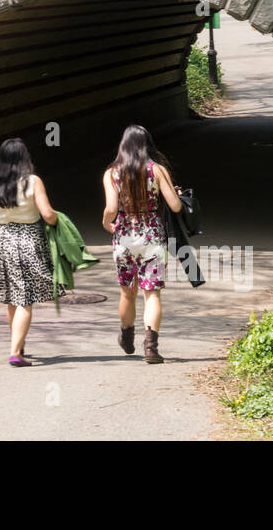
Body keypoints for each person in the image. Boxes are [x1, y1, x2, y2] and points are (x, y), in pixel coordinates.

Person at [102, 125, 183, 364]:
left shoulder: (112, 173)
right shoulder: (157, 170)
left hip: (124, 237)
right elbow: (176, 206)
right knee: (152, 293)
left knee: (127, 292)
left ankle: (127, 336)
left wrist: (108, 223)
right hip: (152, 236)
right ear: (147, 145)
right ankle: (151, 348)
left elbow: (110, 209)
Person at [0, 138, 59, 367]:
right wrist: (59, 221)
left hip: (2, 240)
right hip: (29, 240)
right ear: (25, 158)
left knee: (11, 298)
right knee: (25, 299)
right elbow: (48, 214)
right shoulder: (32, 182)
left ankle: (18, 344)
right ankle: (15, 352)